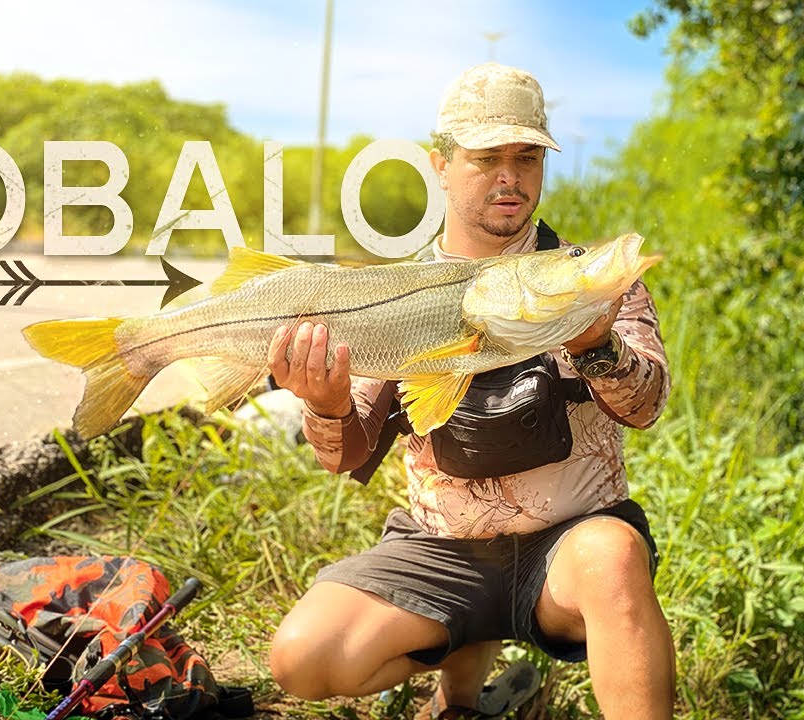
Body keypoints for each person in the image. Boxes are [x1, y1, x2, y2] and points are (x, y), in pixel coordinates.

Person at [266, 62, 675, 720]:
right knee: (301, 656)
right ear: (441, 164)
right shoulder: (393, 296)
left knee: (614, 557)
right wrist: (326, 402)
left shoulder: (588, 276)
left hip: (568, 549)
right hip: (440, 552)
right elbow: (345, 455)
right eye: (486, 157)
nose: (509, 177)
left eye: (526, 156)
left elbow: (647, 406)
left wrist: (593, 342)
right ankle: (460, 698)